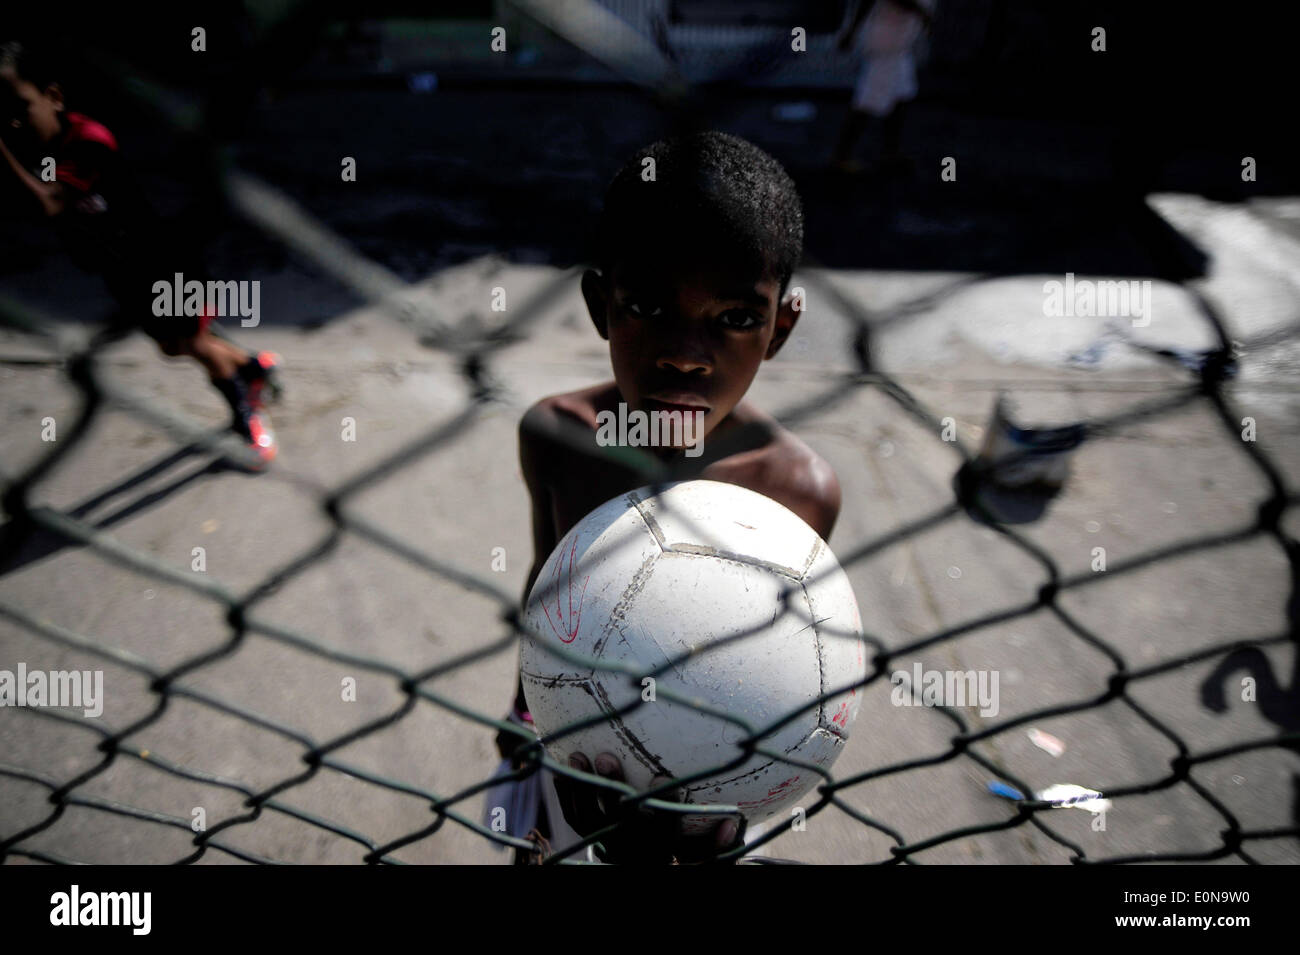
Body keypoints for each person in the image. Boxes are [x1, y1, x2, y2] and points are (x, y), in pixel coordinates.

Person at [497, 131, 841, 864]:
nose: (686, 351)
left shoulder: (796, 491)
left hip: (714, 786)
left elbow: (790, 662)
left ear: (781, 327)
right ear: (600, 306)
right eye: (648, 304)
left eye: (736, 317)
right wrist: (527, 707)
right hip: (574, 757)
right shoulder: (559, 435)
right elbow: (545, 581)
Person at [0, 41, 281, 465]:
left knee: (193, 345)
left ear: (54, 97)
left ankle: (247, 413)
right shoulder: (32, 142)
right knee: (176, 346)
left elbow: (50, 202)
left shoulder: (87, 141)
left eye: (20, 105)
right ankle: (253, 364)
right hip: (121, 268)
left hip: (161, 260)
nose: (12, 120)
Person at [831, 0, 936, 175]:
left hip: (898, 45)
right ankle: (841, 156)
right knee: (868, 101)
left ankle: (889, 152)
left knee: (902, 96)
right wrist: (921, 12)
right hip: (886, 44)